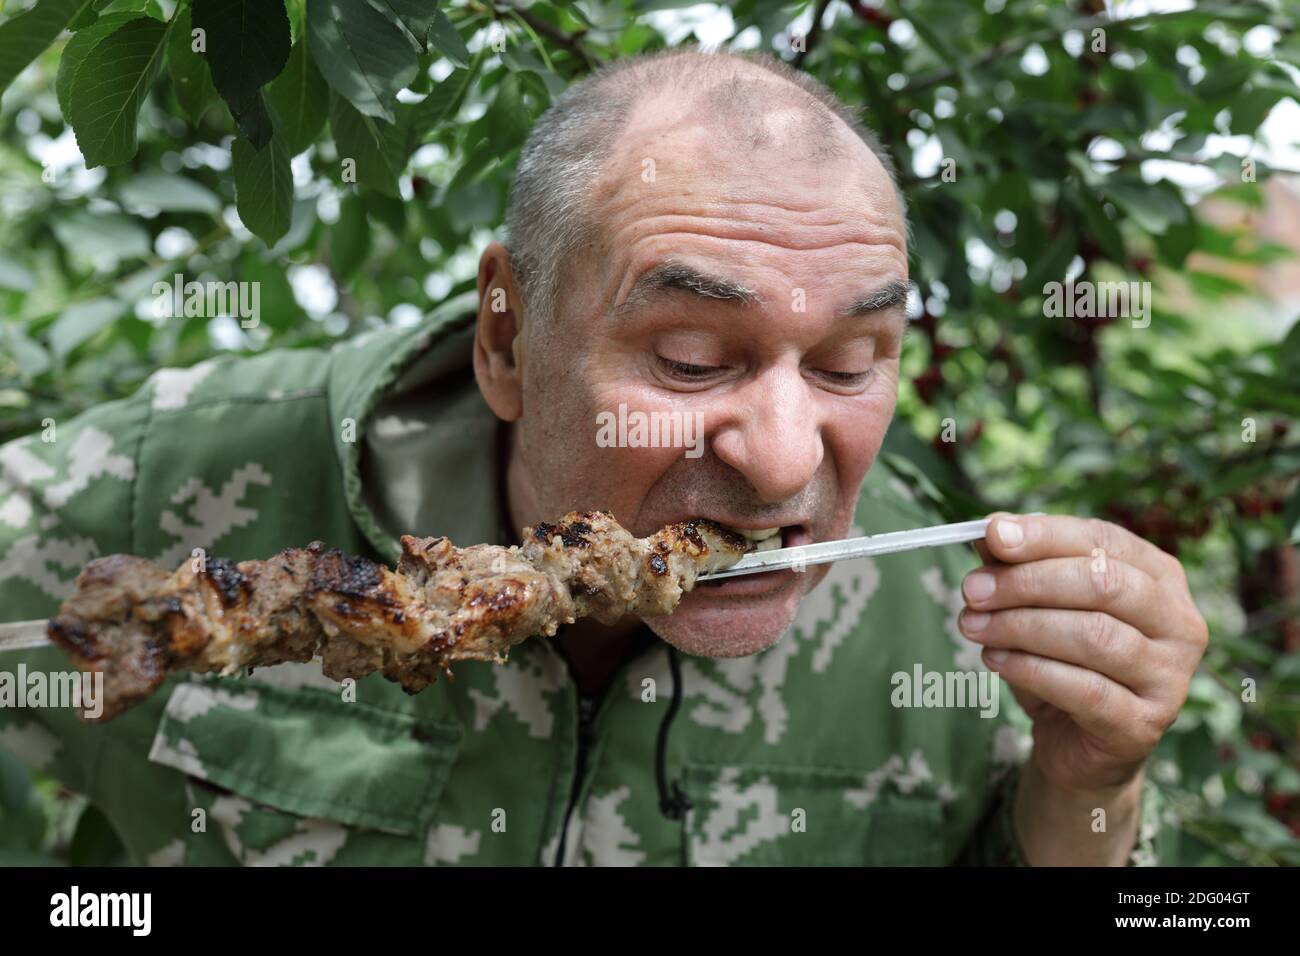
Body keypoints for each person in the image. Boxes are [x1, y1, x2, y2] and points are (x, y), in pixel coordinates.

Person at [0, 46, 1205, 866]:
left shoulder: (965, 632)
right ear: (506, 335)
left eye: (849, 362)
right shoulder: (153, 487)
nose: (785, 464)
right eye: (689, 358)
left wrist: (1089, 784)